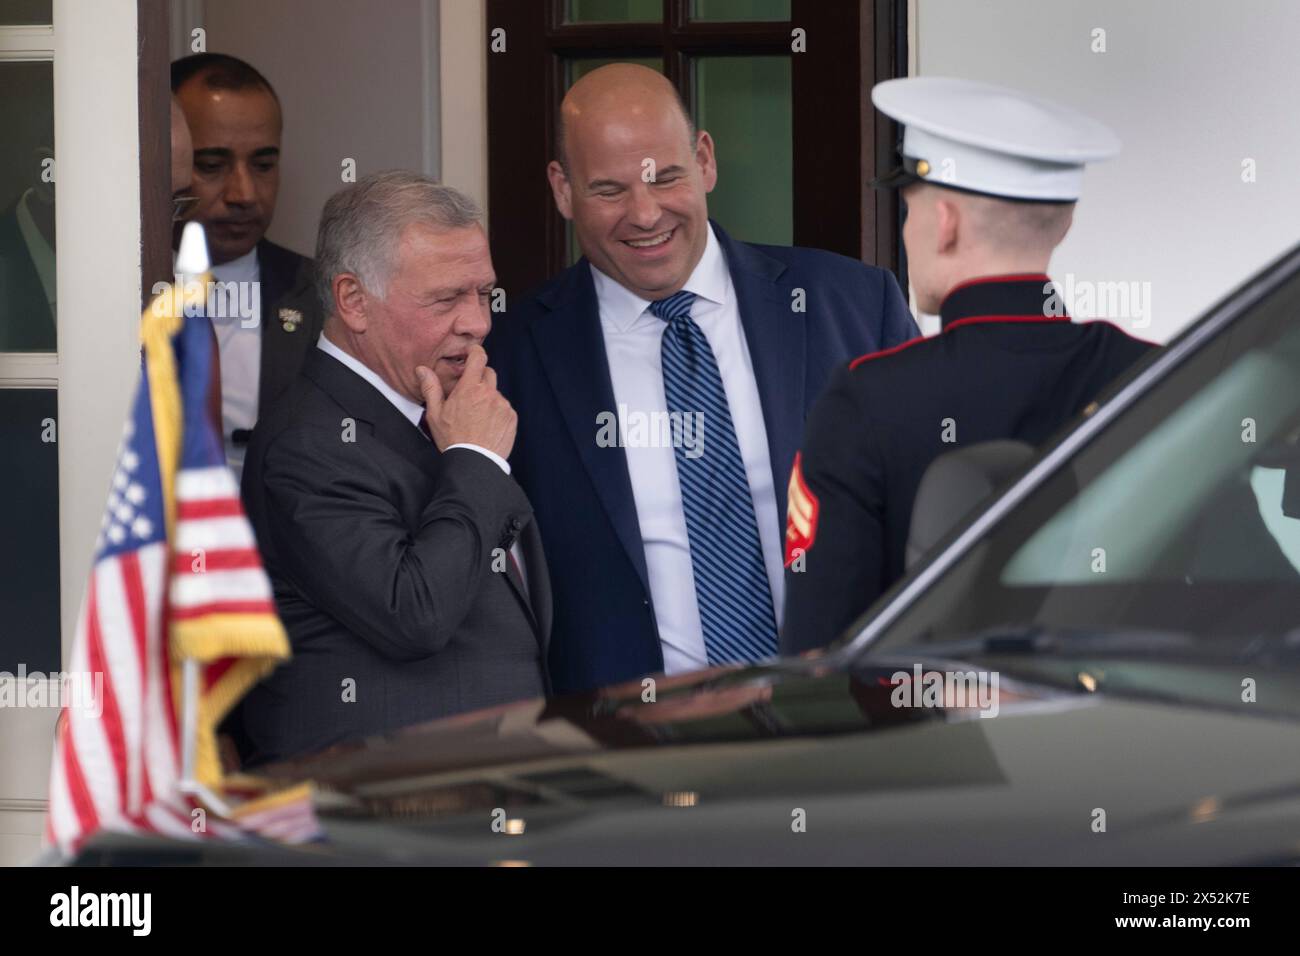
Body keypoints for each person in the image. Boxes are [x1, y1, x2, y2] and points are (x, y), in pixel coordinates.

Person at [489, 63, 918, 694]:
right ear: (562, 189)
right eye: (609, 190)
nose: (644, 213)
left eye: (665, 178)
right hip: (629, 752)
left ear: (706, 160)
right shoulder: (512, 358)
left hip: (842, 727)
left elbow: (935, 523)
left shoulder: (854, 306)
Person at [781, 76, 1156, 655]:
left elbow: (818, 659)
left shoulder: (866, 401)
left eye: (909, 211)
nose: (908, 233)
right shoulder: (1151, 377)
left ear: (946, 221)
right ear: (1065, 221)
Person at [232, 171, 549, 766]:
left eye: (483, 293)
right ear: (354, 300)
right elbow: (415, 613)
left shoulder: (444, 409)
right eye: (447, 298)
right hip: (379, 809)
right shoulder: (310, 442)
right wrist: (477, 460)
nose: (478, 322)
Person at [172, 52, 322, 480]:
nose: (243, 193)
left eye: (263, 165)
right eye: (212, 165)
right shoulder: (112, 290)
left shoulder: (322, 298)